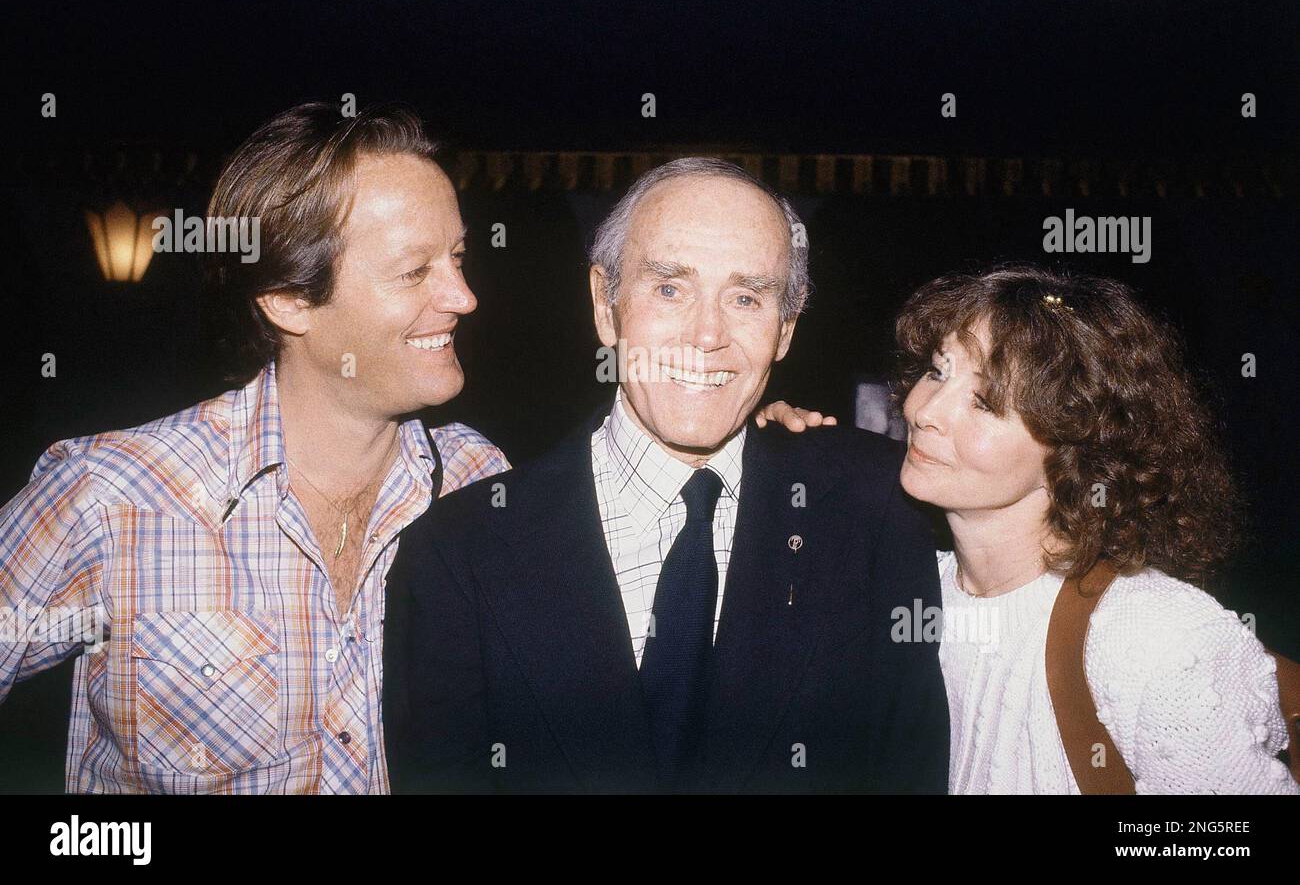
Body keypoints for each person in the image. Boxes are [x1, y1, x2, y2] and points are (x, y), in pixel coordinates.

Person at [384, 157, 949, 794]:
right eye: (670, 288)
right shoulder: (458, 551)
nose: (708, 335)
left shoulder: (876, 512)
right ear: (606, 306)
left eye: (746, 297)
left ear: (785, 330)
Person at [0, 102, 508, 793]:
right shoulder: (111, 495)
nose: (464, 296)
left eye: (457, 257)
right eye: (415, 271)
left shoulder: (480, 482)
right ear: (287, 299)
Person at [892, 265, 1298, 794]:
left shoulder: (1149, 636)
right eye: (938, 371)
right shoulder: (907, 588)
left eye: (985, 401)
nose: (926, 411)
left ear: (1073, 450)